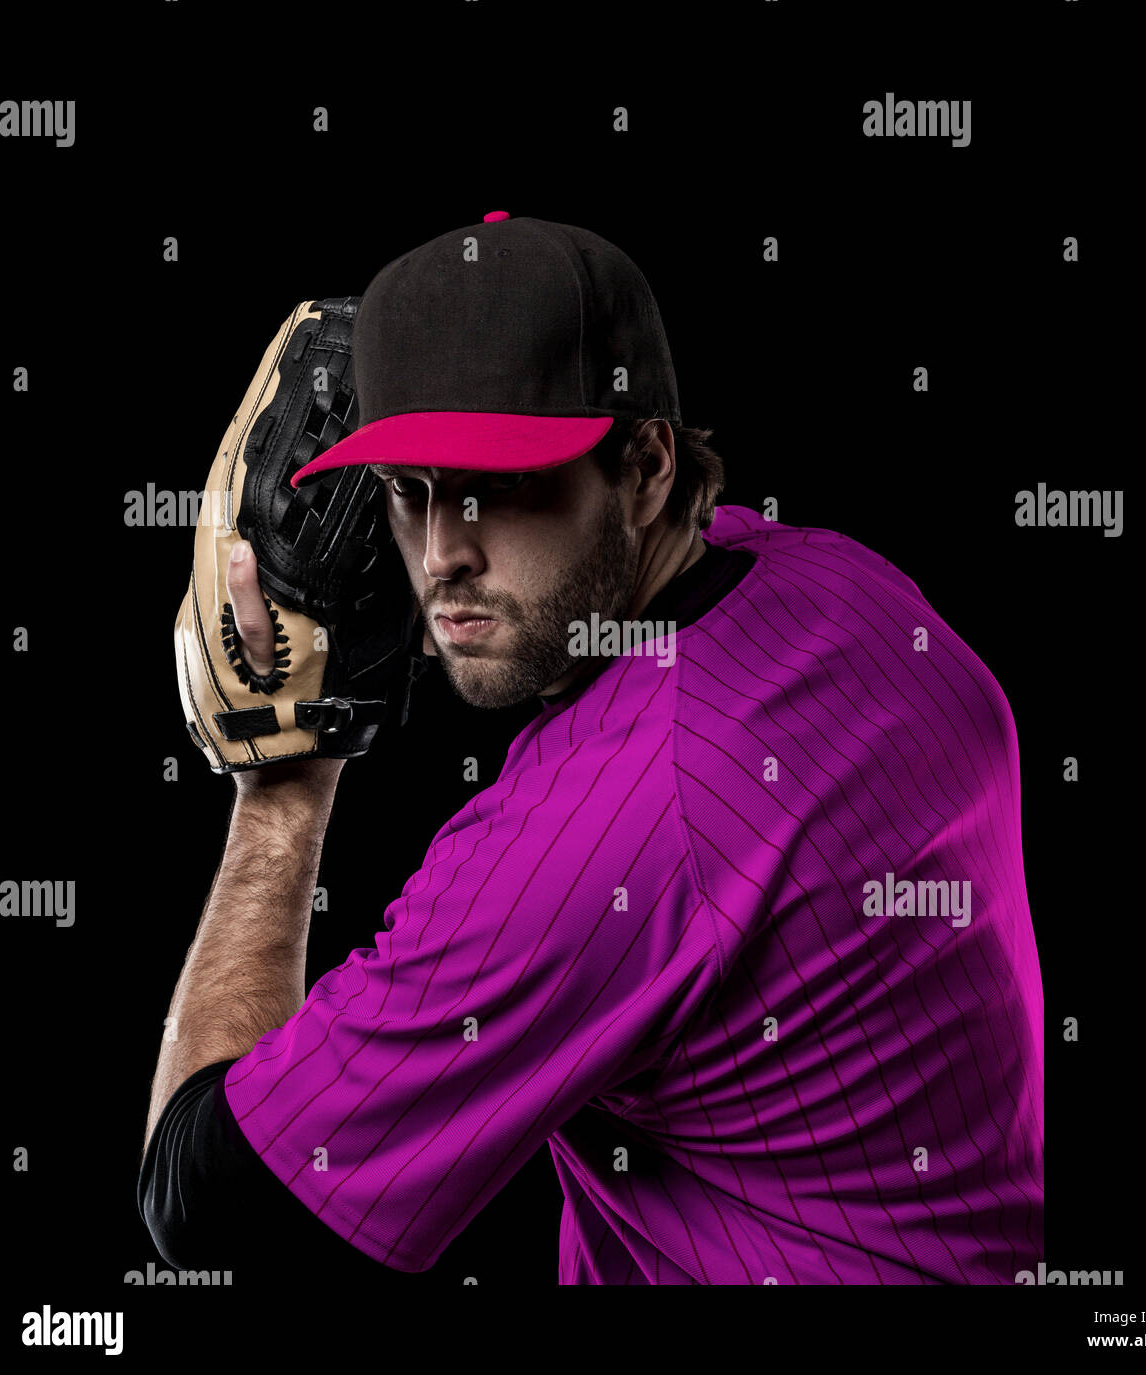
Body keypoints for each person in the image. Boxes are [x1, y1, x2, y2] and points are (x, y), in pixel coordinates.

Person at [139, 212, 1044, 1284]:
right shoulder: (848, 586)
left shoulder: (617, 821)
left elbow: (210, 1211)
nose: (441, 557)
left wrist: (284, 785)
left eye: (499, 484)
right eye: (405, 490)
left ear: (646, 464)